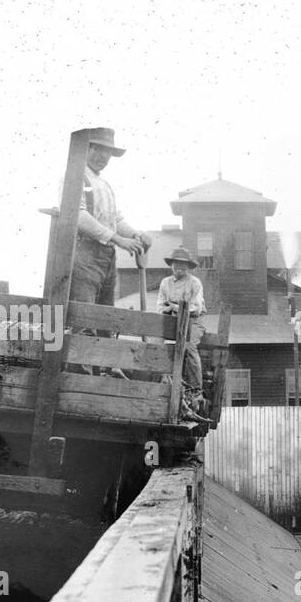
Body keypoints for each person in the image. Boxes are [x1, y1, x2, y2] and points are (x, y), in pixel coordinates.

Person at [69, 127, 151, 375]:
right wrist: (117, 239)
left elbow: (116, 219)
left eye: (107, 153)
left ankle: (106, 370)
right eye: (97, 150)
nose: (102, 157)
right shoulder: (77, 178)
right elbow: (79, 216)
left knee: (106, 316)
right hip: (84, 254)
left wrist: (134, 234)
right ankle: (80, 375)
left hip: (105, 257)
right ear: (87, 149)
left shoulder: (103, 183)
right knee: (85, 316)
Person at [157, 248, 209, 423]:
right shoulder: (165, 283)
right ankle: (160, 381)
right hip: (172, 319)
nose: (179, 268)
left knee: (188, 346)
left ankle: (195, 390)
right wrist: (170, 309)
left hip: (193, 321)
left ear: (188, 267)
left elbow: (195, 308)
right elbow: (160, 306)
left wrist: (174, 307)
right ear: (172, 265)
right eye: (176, 265)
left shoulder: (195, 283)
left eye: (183, 266)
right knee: (156, 343)